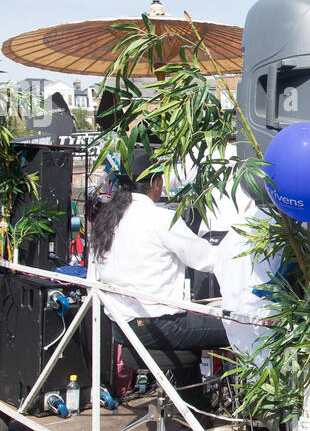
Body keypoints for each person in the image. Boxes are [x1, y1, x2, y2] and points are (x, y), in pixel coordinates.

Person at [90, 147, 234, 355]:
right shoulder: (159, 218)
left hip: (120, 327)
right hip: (158, 326)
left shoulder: (106, 220)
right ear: (157, 183)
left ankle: (188, 387)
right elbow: (208, 259)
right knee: (245, 325)